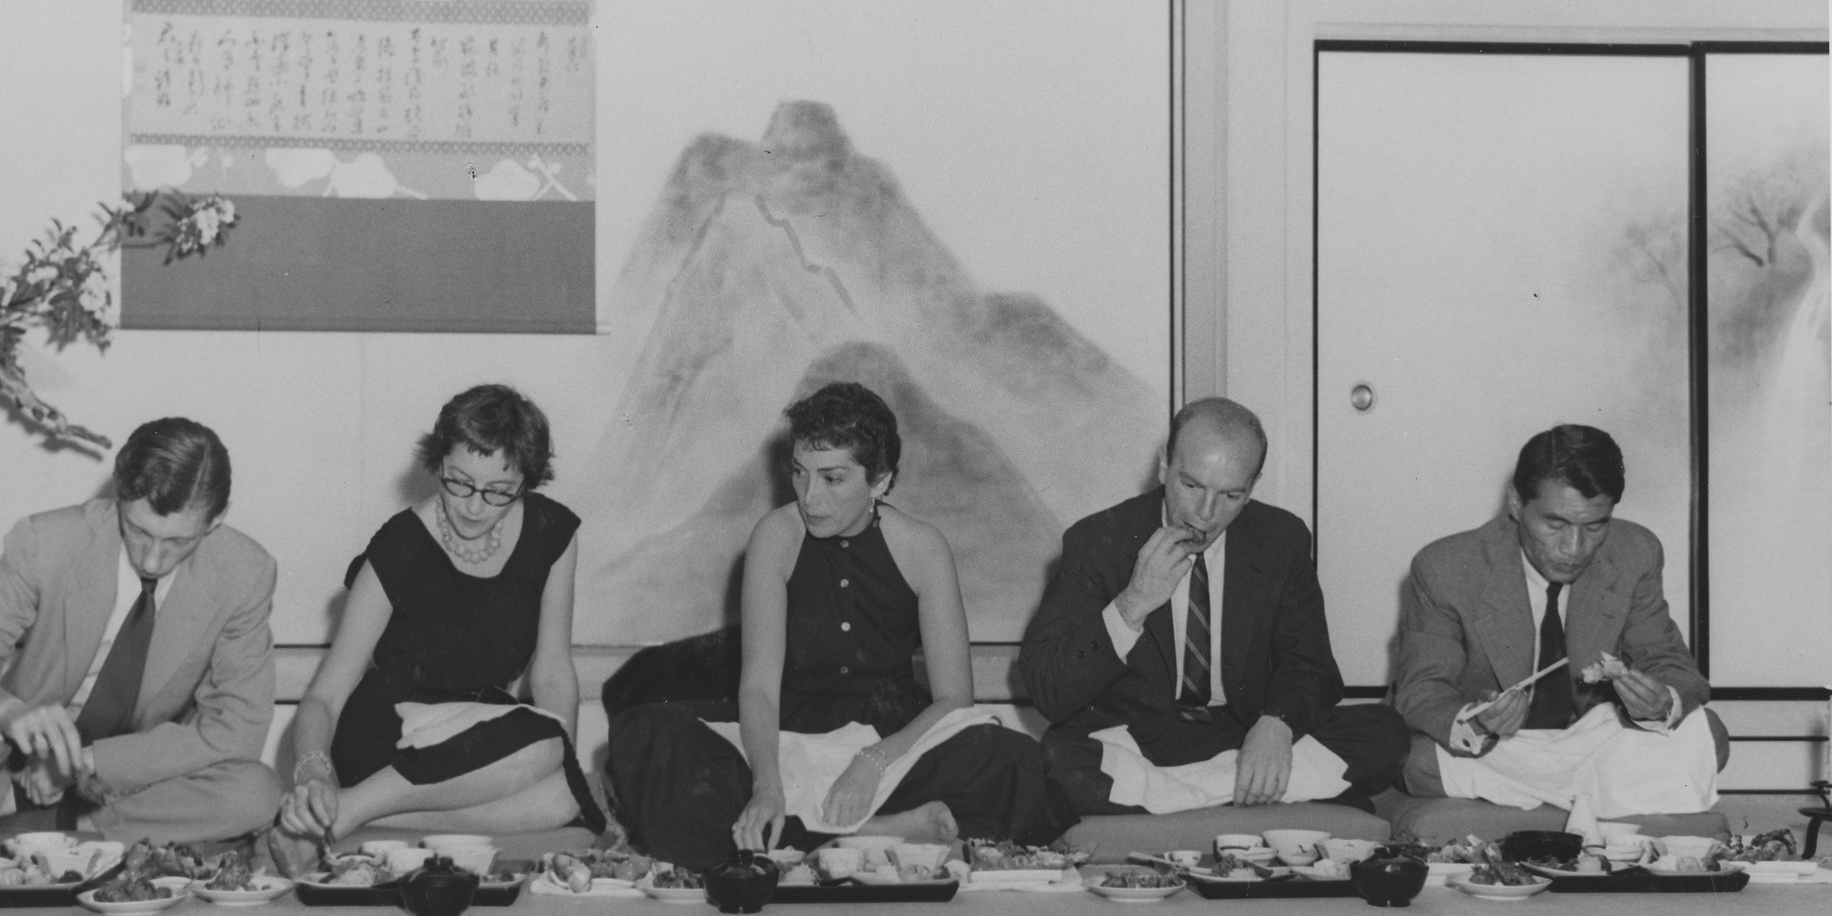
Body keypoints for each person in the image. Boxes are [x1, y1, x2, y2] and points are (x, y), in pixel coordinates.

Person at [607, 381, 1076, 869]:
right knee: (645, 734)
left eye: (832, 479)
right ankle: (876, 834)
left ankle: (800, 843)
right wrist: (767, 788)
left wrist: (872, 763)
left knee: (1012, 760)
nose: (811, 498)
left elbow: (955, 699)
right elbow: (760, 690)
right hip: (789, 735)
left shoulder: (923, 547)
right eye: (799, 473)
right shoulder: (775, 538)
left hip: (890, 741)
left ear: (879, 481)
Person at [0, 418, 281, 851]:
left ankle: (27, 823)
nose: (153, 560)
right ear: (120, 496)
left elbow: (236, 729)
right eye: (140, 531)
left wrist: (84, 765)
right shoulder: (47, 542)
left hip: (134, 774)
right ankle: (53, 822)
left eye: (178, 542)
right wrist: (6, 714)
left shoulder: (245, 572)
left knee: (257, 793)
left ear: (217, 518)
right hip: (8, 767)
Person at [270, 384, 604, 874]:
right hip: (388, 737)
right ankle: (349, 811)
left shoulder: (553, 535)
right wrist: (313, 772)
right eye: (459, 482)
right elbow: (326, 695)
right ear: (438, 463)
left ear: (527, 482)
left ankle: (349, 818)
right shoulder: (398, 547)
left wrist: (562, 768)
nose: (473, 506)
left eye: (498, 492)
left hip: (478, 740)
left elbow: (552, 672)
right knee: (545, 746)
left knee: (564, 796)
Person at [1018, 397, 1409, 814]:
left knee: (1385, 734)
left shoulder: (1281, 540)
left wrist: (1277, 723)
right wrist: (1131, 604)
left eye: (1230, 495)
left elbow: (1313, 670)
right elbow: (1049, 693)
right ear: (1164, 465)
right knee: (1059, 760)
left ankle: (1167, 795)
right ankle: (1241, 789)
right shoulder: (1097, 541)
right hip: (1136, 742)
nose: (1205, 514)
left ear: (1253, 486)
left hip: (1242, 736)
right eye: (1191, 486)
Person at [1389, 424, 1725, 800]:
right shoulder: (1446, 567)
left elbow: (1672, 665)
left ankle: (1541, 795)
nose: (1575, 548)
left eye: (1595, 525)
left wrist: (1661, 703)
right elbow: (1420, 691)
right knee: (1412, 759)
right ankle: (1596, 795)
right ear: (1516, 503)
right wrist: (1476, 719)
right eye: (1555, 524)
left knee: (1710, 734)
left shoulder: (1636, 552)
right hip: (1498, 749)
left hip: (1589, 743)